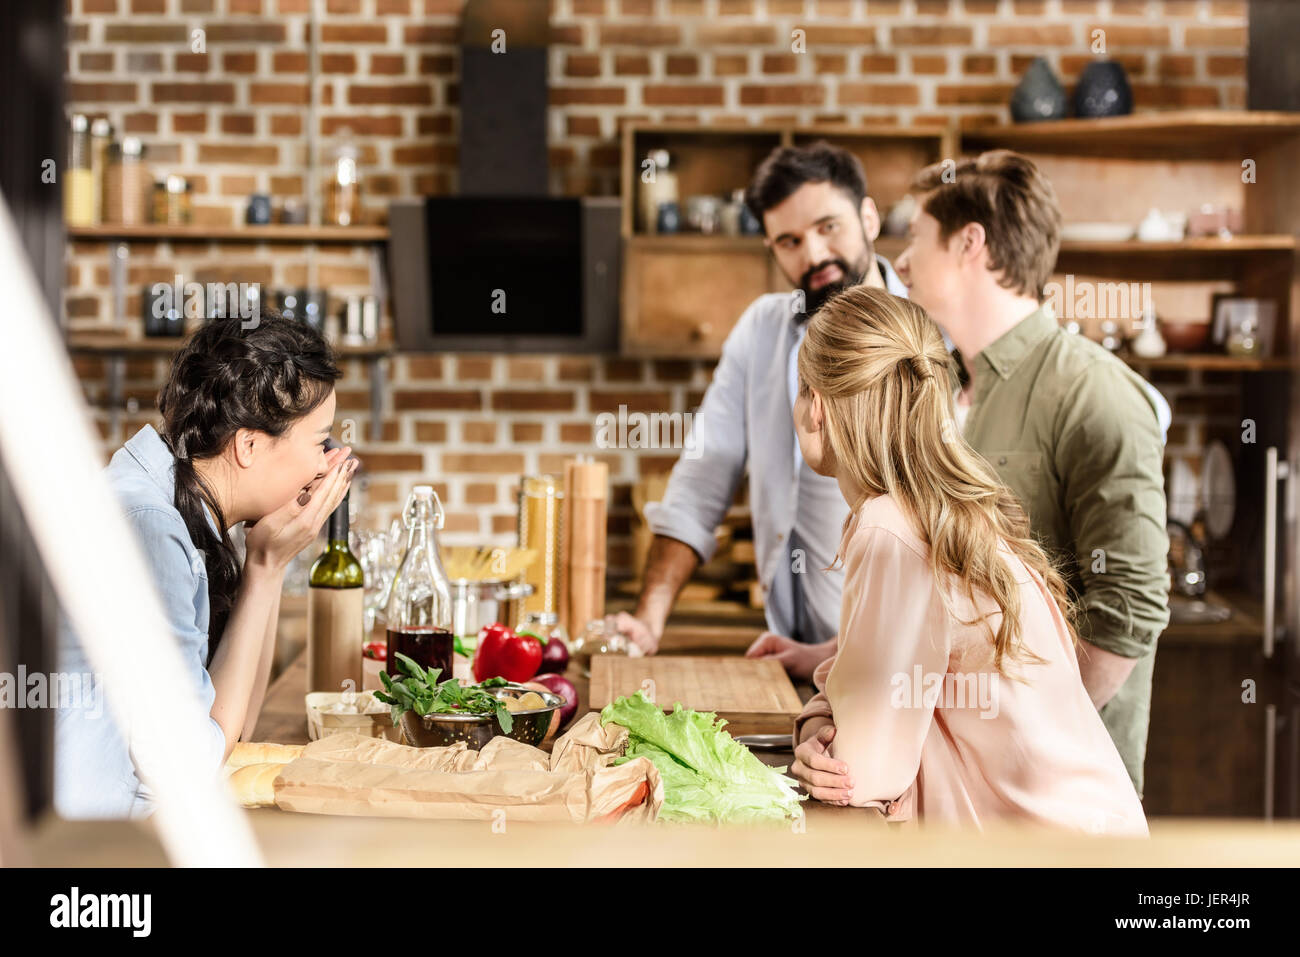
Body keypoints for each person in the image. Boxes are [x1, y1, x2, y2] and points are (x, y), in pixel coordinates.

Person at [787, 285, 1147, 834]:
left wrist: (819, 733)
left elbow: (861, 772)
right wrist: (821, 722)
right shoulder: (933, 513)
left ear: (817, 406)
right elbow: (878, 689)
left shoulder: (890, 529)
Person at [892, 151, 1170, 797]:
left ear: (970, 243)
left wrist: (1041, 738)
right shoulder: (943, 393)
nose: (901, 260)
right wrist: (826, 653)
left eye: (914, 236)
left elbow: (1127, 609)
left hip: (1058, 799)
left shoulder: (1095, 393)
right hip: (955, 783)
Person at [608, 142, 908, 667]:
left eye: (827, 227)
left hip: (893, 662)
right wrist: (650, 616)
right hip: (792, 655)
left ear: (868, 215)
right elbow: (707, 470)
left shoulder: (926, 338)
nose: (813, 256)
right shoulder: (762, 330)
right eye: (789, 241)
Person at [53, 312, 356, 819]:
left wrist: (269, 564)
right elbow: (187, 766)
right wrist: (262, 569)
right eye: (318, 441)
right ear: (249, 445)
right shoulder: (150, 527)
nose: (326, 463)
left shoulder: (176, 505)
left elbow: (233, 728)